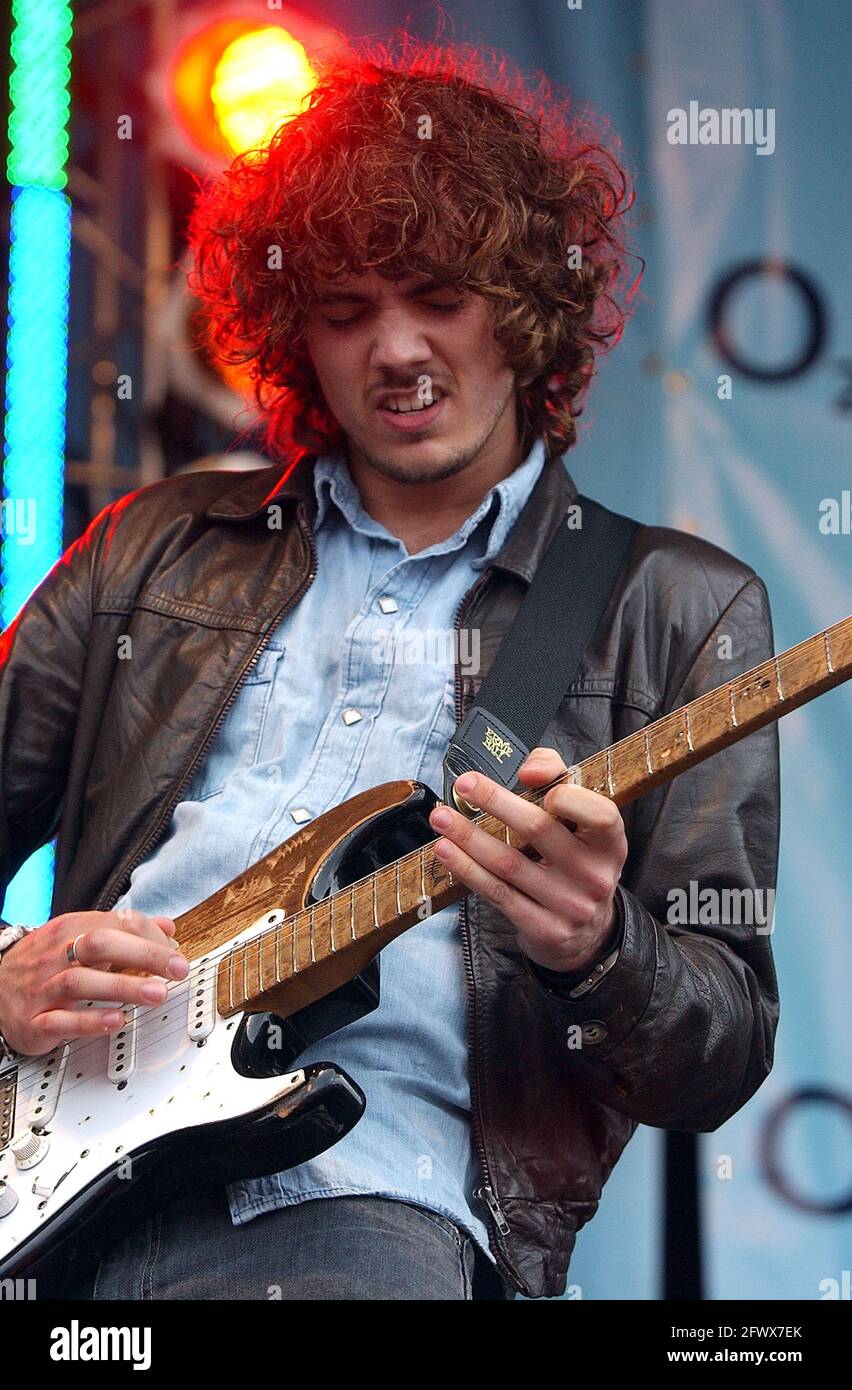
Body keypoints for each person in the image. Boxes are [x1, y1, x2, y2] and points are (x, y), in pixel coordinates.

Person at [0, 42, 779, 1300]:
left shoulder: (670, 607)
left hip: (363, 1200)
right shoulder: (153, 545)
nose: (397, 350)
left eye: (438, 295)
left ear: (525, 301)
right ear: (294, 334)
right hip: (42, 1173)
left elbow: (722, 1048)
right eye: (347, 311)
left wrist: (598, 947)